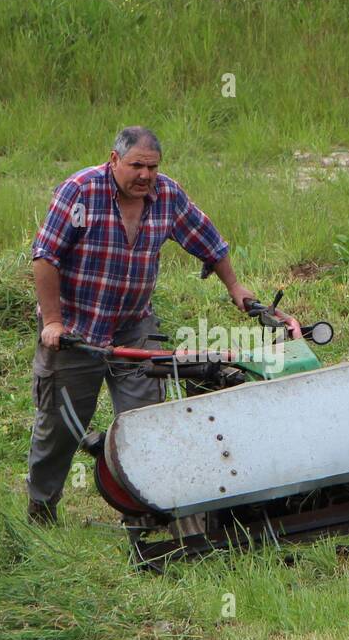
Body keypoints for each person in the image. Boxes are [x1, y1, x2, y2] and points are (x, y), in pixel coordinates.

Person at [26, 125, 256, 523]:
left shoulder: (166, 195)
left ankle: (143, 511)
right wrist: (53, 322)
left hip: (134, 326)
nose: (145, 176)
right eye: (136, 166)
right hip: (77, 332)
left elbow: (208, 241)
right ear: (113, 160)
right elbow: (45, 256)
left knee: (145, 424)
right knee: (59, 428)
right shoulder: (80, 192)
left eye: (152, 167)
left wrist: (235, 286)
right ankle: (42, 509)